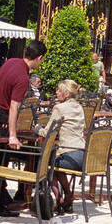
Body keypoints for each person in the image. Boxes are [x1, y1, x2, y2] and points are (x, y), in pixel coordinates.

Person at [0, 40, 46, 213]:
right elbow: (14, 107)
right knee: (1, 157)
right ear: (39, 57)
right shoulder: (23, 78)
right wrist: (12, 134)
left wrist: (0, 91)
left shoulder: (12, 61)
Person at [36, 79, 87, 214]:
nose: (56, 92)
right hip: (83, 155)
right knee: (57, 165)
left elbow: (47, 132)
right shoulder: (79, 107)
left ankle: (59, 199)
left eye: (59, 90)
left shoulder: (59, 108)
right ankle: (68, 195)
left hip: (70, 155)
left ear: (67, 94)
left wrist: (36, 129)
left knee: (47, 164)